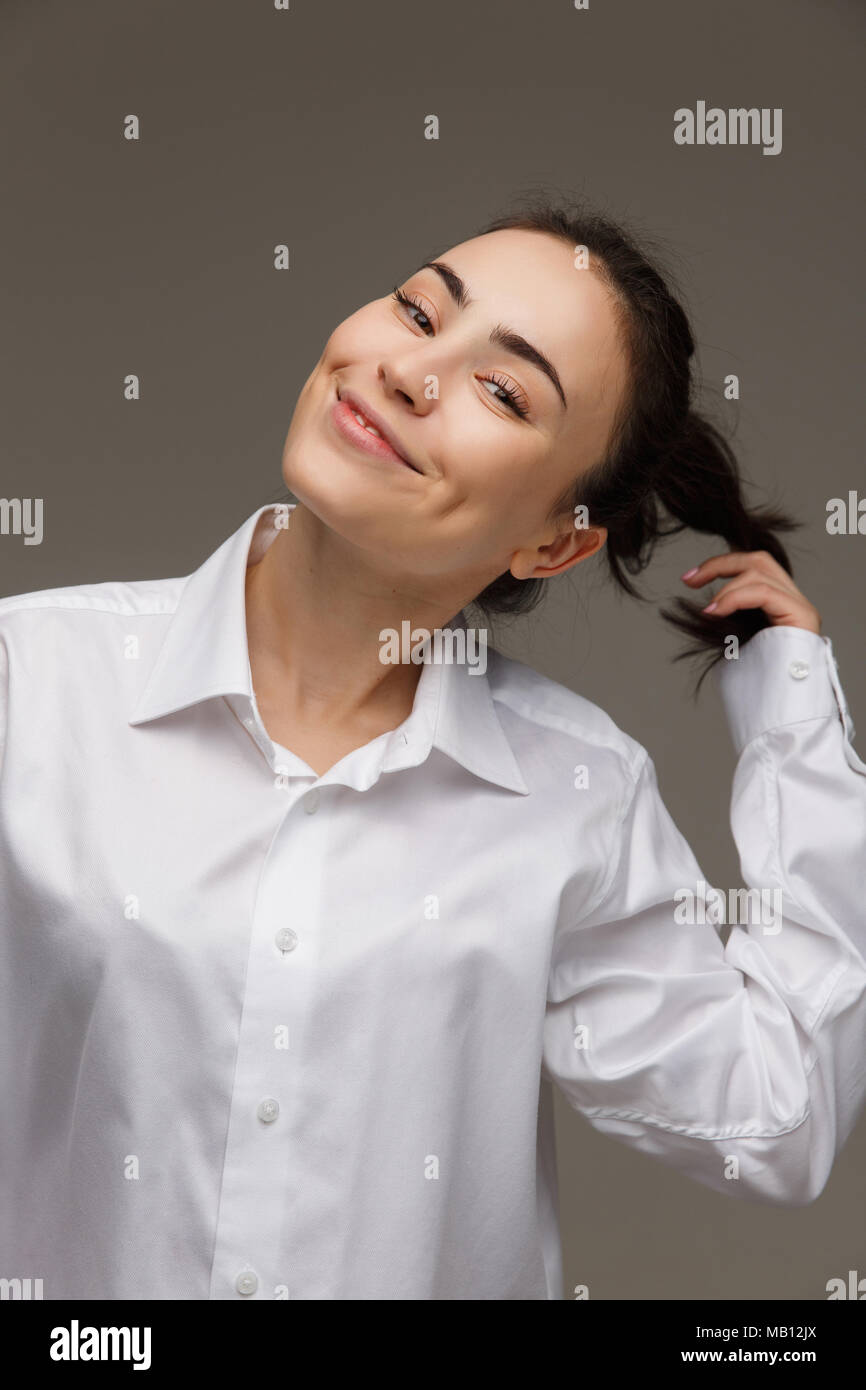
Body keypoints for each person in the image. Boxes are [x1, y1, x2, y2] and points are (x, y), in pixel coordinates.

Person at [1, 198, 864, 1301]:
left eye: (503, 390)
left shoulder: (572, 796)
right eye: (417, 310)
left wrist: (793, 726)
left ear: (553, 539)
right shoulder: (31, 684)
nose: (411, 371)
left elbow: (773, 1121)